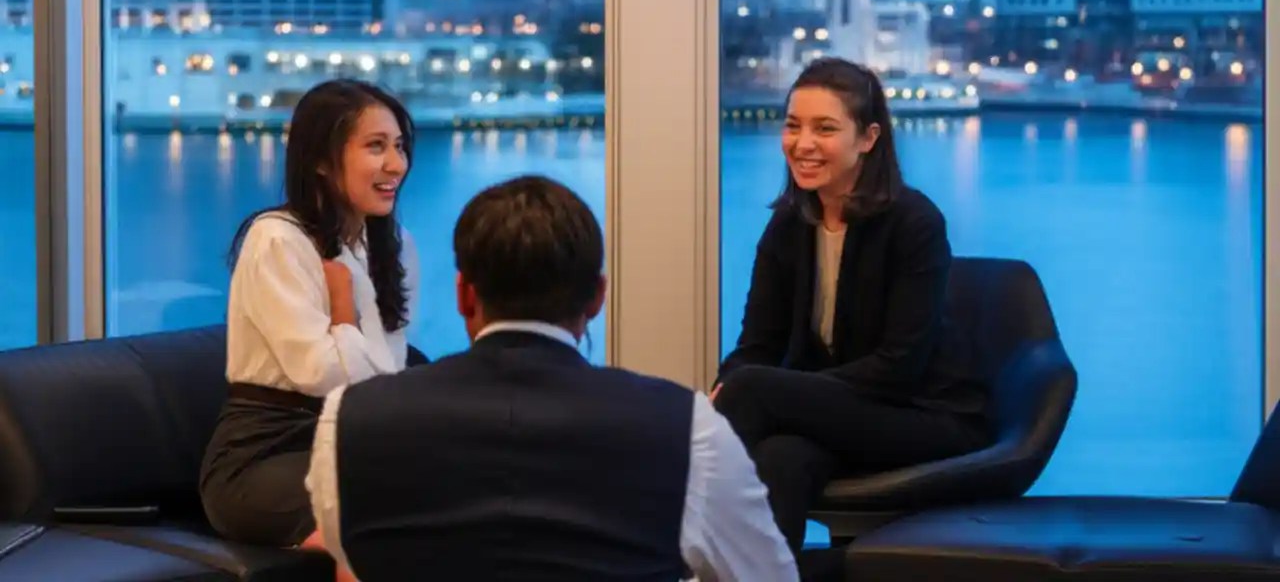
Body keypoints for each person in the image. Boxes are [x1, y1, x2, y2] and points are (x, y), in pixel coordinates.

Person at [304, 175, 798, 581]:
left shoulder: (347, 422)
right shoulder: (687, 428)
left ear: (465, 296)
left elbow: (354, 562)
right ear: (597, 298)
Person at [712, 58, 991, 556]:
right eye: (793, 126)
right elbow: (757, 346)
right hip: (838, 412)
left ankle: (658, 551)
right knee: (781, 457)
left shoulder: (915, 223)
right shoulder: (788, 226)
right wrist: (728, 385)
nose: (802, 144)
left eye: (825, 128)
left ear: (868, 138)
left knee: (752, 391)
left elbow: (898, 369)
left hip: (924, 413)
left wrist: (778, 395)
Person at [199, 79, 420, 573]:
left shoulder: (394, 245)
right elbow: (323, 376)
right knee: (385, 511)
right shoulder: (277, 240)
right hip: (264, 457)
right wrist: (343, 311)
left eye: (399, 146)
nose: (396, 165)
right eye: (376, 146)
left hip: (354, 439)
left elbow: (386, 373)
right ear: (320, 160)